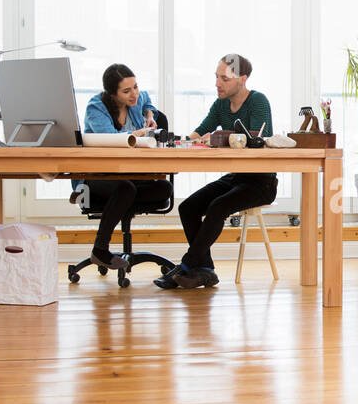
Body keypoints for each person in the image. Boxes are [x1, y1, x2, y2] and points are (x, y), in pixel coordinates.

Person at [154, 54, 277, 289]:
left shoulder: (258, 101)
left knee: (217, 207)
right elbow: (200, 131)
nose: (217, 84)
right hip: (236, 177)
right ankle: (205, 269)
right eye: (216, 77)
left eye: (224, 78)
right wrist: (179, 142)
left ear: (242, 79)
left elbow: (256, 139)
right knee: (187, 207)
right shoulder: (221, 105)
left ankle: (188, 265)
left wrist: (222, 136)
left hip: (262, 183)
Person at [75, 63, 174, 272]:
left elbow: (146, 98)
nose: (134, 94)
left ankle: (119, 204)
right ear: (112, 93)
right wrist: (140, 133)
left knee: (164, 188)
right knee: (125, 189)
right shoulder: (96, 108)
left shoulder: (137, 100)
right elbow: (114, 141)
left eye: (135, 87)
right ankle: (100, 249)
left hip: (131, 177)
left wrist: (149, 114)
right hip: (98, 178)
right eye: (126, 91)